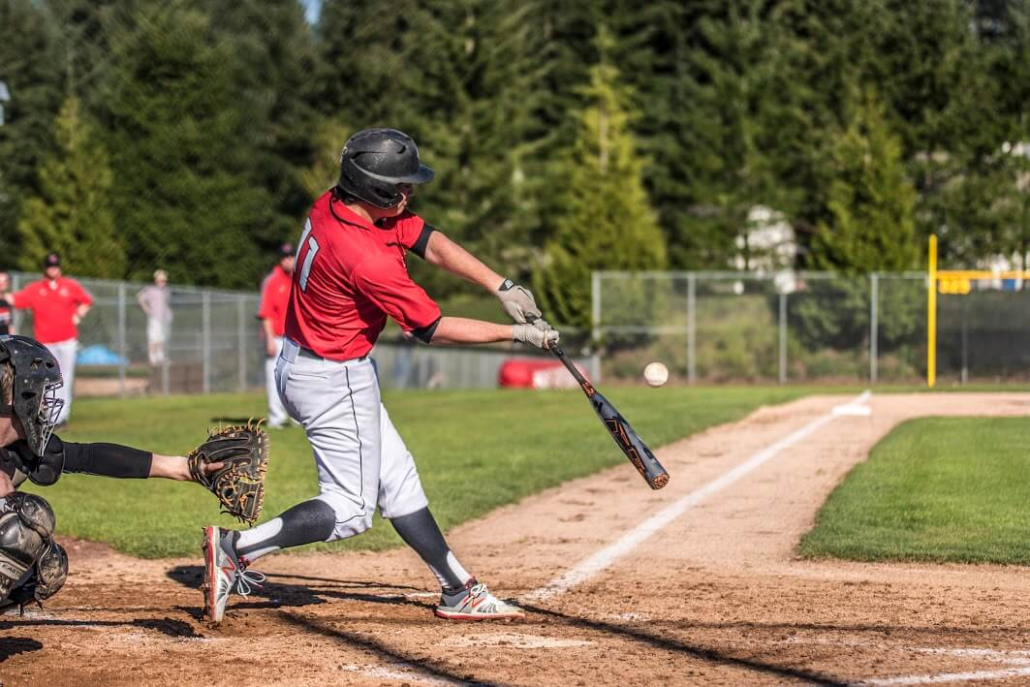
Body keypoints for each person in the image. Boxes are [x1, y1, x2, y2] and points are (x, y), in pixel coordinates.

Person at [202, 128, 558, 623]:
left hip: (309, 365)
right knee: (349, 510)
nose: (410, 194)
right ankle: (237, 548)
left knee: (399, 481)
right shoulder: (365, 258)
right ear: (375, 190)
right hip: (334, 377)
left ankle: (459, 589)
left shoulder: (335, 204)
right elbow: (432, 327)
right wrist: (516, 335)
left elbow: (428, 241)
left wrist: (500, 284)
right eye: (402, 187)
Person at [0, 335, 230, 611]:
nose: (43, 406)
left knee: (48, 565)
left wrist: (187, 468)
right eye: (37, 394)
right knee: (27, 519)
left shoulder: (17, 448)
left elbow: (91, 457)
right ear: (17, 398)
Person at [3, 253, 92, 426]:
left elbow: (86, 301)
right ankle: (49, 415)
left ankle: (61, 417)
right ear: (45, 268)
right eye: (50, 266)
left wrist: (77, 317)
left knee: (64, 376)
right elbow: (14, 299)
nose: (53, 269)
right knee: (46, 378)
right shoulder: (35, 288)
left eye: (56, 266)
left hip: (67, 339)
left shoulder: (70, 286)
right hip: (45, 341)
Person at [257, 244, 295, 428]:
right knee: (275, 379)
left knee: (297, 380)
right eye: (285, 256)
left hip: (296, 339)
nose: (288, 259)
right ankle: (276, 417)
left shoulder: (299, 279)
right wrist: (270, 339)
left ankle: (298, 417)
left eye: (291, 256)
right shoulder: (272, 280)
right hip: (277, 338)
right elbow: (266, 313)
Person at [137, 270, 172, 367]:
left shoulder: (166, 291)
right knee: (153, 338)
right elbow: (140, 298)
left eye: (164, 281)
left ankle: (160, 357)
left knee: (162, 338)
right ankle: (152, 358)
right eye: (160, 280)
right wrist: (147, 309)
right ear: (156, 280)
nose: (162, 283)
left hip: (164, 318)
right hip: (155, 318)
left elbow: (166, 303)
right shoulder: (150, 289)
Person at [0, 271, 13, 336]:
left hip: (5, 341)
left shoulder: (7, 301)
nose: (1, 284)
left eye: (4, 281)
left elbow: (9, 324)